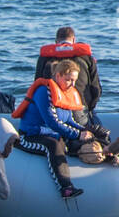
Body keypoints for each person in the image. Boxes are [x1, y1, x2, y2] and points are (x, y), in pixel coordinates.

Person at [13, 58, 96, 198]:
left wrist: (84, 130)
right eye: (69, 80)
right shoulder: (43, 92)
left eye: (74, 80)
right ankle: (66, 188)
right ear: (58, 76)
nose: (72, 84)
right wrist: (77, 134)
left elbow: (69, 120)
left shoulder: (64, 93)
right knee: (53, 145)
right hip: (30, 136)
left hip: (52, 133)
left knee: (71, 140)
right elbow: (53, 122)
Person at [35, 26, 102, 111]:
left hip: (52, 107)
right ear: (73, 40)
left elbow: (37, 84)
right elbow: (96, 90)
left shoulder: (44, 58)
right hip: (80, 107)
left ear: (56, 41)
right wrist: (90, 108)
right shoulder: (87, 58)